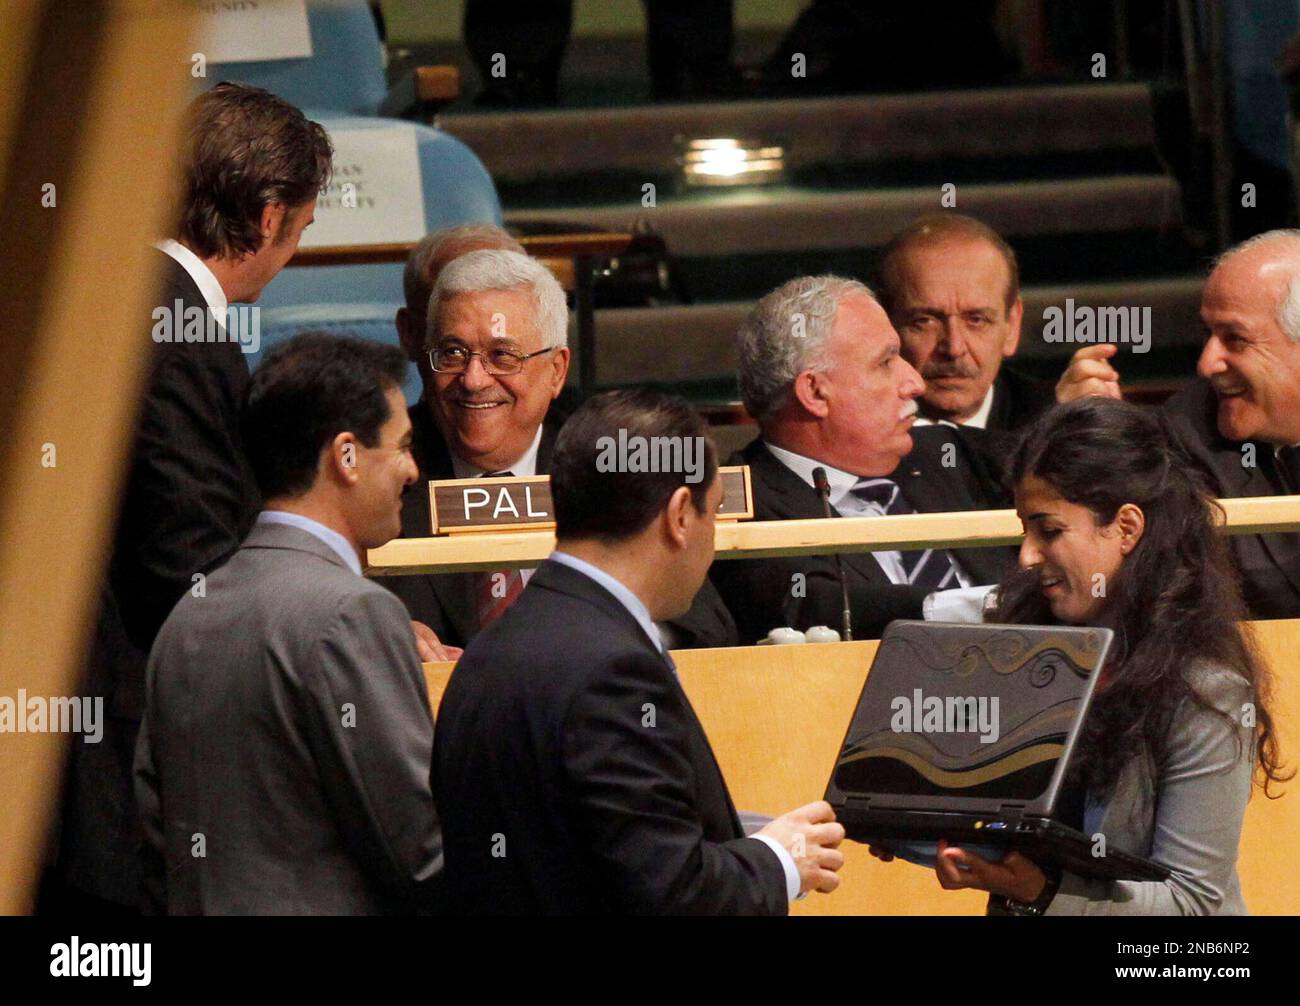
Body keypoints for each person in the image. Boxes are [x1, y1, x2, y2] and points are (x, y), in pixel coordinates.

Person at [45, 83, 332, 913]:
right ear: (271, 214)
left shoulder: (112, 294)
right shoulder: (174, 327)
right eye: (303, 229)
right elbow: (192, 558)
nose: (294, 254)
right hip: (117, 731)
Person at [433, 389, 845, 914]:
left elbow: (586, 845)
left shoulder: (490, 647)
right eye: (713, 513)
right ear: (679, 515)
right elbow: (671, 894)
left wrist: (734, 841)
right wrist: (781, 860)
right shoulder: (614, 673)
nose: (713, 540)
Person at [917, 397, 1287, 915]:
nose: (1026, 555)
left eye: (1049, 530)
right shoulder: (1022, 646)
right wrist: (917, 825)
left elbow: (1192, 904)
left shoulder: (1205, 689)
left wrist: (1043, 891)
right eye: (1024, 528)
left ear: (1126, 528)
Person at [134, 334, 443, 915]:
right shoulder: (355, 614)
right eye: (402, 446)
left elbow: (155, 831)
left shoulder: (190, 612)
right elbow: (421, 850)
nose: (412, 469)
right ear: (346, 456)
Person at [377, 243, 737, 652]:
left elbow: (705, 628)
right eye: (454, 353)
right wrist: (379, 633)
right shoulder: (378, 468)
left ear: (556, 370)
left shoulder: (614, 464)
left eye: (503, 356)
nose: (474, 379)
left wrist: (588, 645)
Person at [711, 275, 1016, 645]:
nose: (915, 382)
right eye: (887, 362)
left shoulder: (945, 452)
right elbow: (809, 608)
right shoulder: (737, 501)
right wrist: (987, 607)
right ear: (815, 391)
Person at [1057, 229, 1300, 618]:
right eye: (1208, 334)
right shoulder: (1189, 431)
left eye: (1234, 339)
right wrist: (1086, 439)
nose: (1207, 364)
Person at [875, 213, 1055, 436]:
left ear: (1012, 325)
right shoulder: (847, 428)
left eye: (976, 320)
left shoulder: (1054, 426)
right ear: (882, 321)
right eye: (924, 321)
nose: (954, 348)